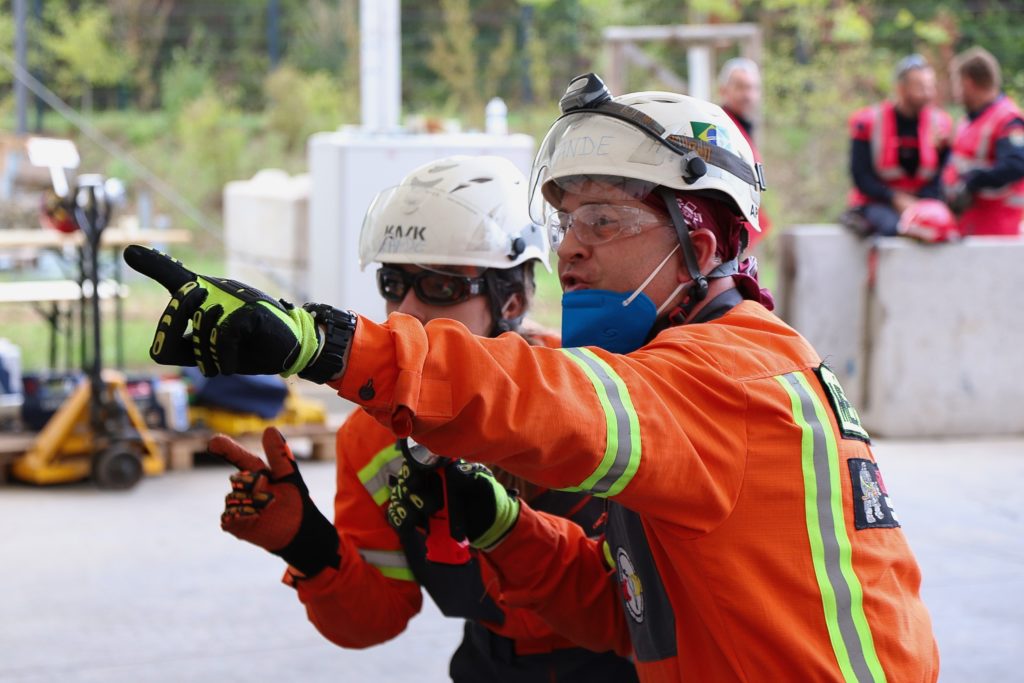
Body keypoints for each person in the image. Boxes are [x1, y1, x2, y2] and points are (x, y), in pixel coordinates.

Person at [125, 72, 939, 681]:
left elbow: (538, 402)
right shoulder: (672, 376)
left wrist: (321, 343)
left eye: (605, 220)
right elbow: (632, 614)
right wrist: (497, 525)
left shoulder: (719, 375)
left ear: (709, 239)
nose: (572, 248)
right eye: (566, 222)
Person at [202, 156, 638, 682]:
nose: (404, 309)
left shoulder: (594, 393)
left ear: (513, 300)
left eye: (441, 287)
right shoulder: (373, 437)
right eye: (393, 282)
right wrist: (309, 544)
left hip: (628, 662)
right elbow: (377, 617)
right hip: (490, 664)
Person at [842, 54, 953, 237]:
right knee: (891, 228)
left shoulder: (941, 123)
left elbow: (943, 174)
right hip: (877, 202)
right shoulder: (868, 122)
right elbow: (860, 175)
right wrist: (894, 198)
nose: (927, 93)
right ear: (901, 89)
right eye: (920, 87)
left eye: (930, 86)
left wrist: (919, 202)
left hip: (924, 203)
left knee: (942, 227)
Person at [942, 46, 1024, 235]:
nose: (955, 93)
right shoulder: (967, 121)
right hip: (969, 224)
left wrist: (972, 181)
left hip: (997, 229)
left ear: (968, 83)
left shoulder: (1007, 118)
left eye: (956, 84)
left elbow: (1016, 165)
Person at [717, 57, 772, 247]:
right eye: (741, 87)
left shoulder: (744, 125)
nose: (748, 94)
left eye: (753, 88)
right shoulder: (718, 127)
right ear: (723, 90)